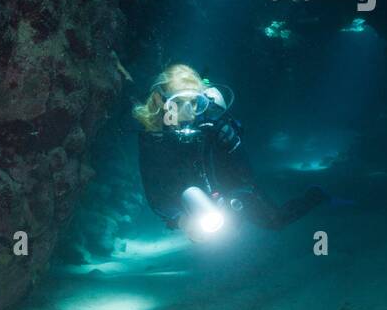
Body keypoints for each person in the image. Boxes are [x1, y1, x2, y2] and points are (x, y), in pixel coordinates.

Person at [134, 63, 326, 233]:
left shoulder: (213, 119)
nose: (189, 112)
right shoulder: (153, 135)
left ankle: (315, 196)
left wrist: (235, 195)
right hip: (185, 189)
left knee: (274, 221)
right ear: (160, 100)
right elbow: (154, 188)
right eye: (177, 102)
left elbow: (242, 171)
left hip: (227, 183)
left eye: (194, 102)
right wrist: (179, 220)